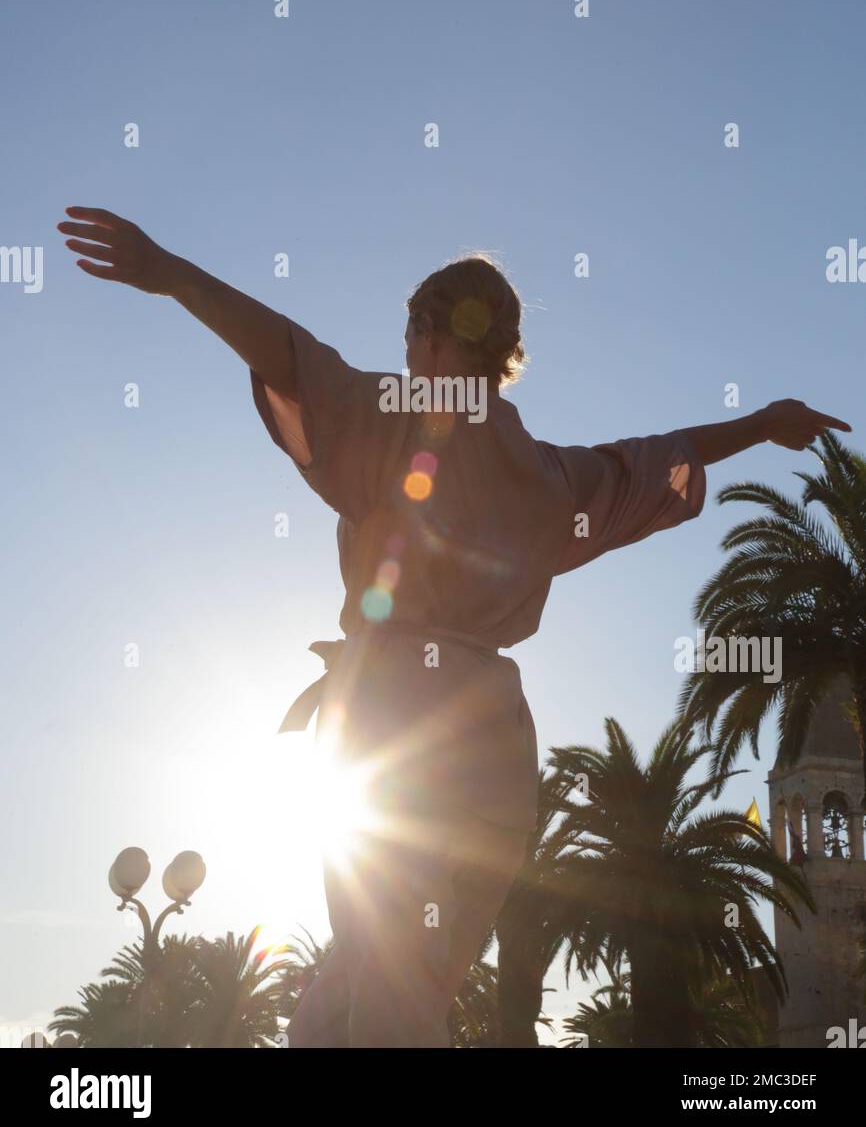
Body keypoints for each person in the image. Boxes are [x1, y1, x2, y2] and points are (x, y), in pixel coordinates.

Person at [57, 206, 851, 1048]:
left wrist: (172, 272)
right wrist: (763, 425)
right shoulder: (550, 478)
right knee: (368, 992)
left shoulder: (403, 415)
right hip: (495, 743)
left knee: (388, 995)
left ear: (432, 333)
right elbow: (662, 456)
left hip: (395, 716)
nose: (403, 355)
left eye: (408, 337)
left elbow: (285, 353)